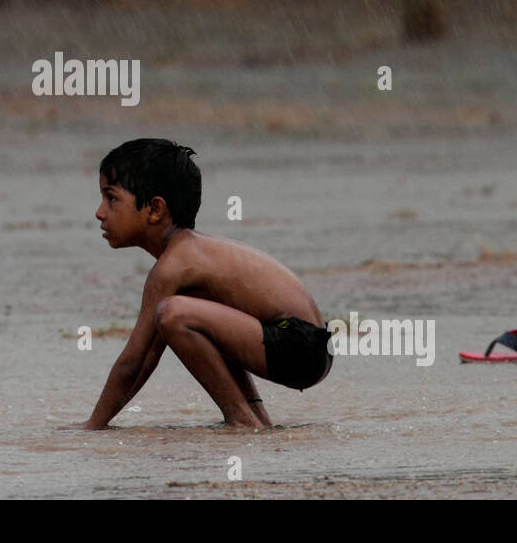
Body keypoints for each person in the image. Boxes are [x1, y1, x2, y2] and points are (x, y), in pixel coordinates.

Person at [82, 138, 331, 429]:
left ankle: (241, 419)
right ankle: (256, 419)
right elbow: (147, 356)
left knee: (174, 314)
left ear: (155, 210)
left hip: (297, 342)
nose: (99, 212)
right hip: (310, 347)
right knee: (188, 314)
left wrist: (92, 426)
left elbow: (131, 363)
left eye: (111, 198)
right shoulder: (188, 257)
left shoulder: (172, 267)